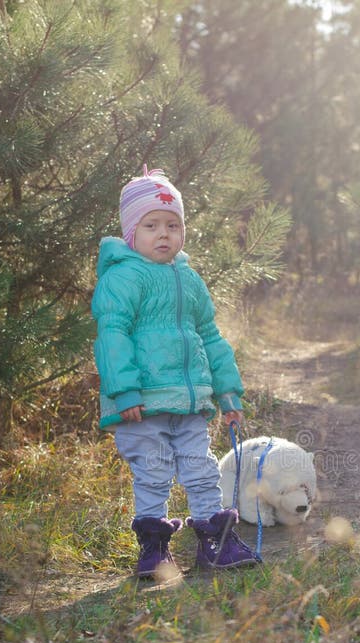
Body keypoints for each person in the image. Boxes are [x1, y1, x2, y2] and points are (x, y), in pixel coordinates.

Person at [91, 165, 259, 580]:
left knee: (201, 470)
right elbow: (112, 335)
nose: (163, 234)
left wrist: (228, 394)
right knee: (153, 471)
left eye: (172, 224)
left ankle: (214, 545)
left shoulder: (189, 279)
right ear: (132, 232)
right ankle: (154, 552)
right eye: (151, 225)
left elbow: (211, 337)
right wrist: (124, 391)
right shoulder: (123, 277)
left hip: (189, 402)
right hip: (143, 403)